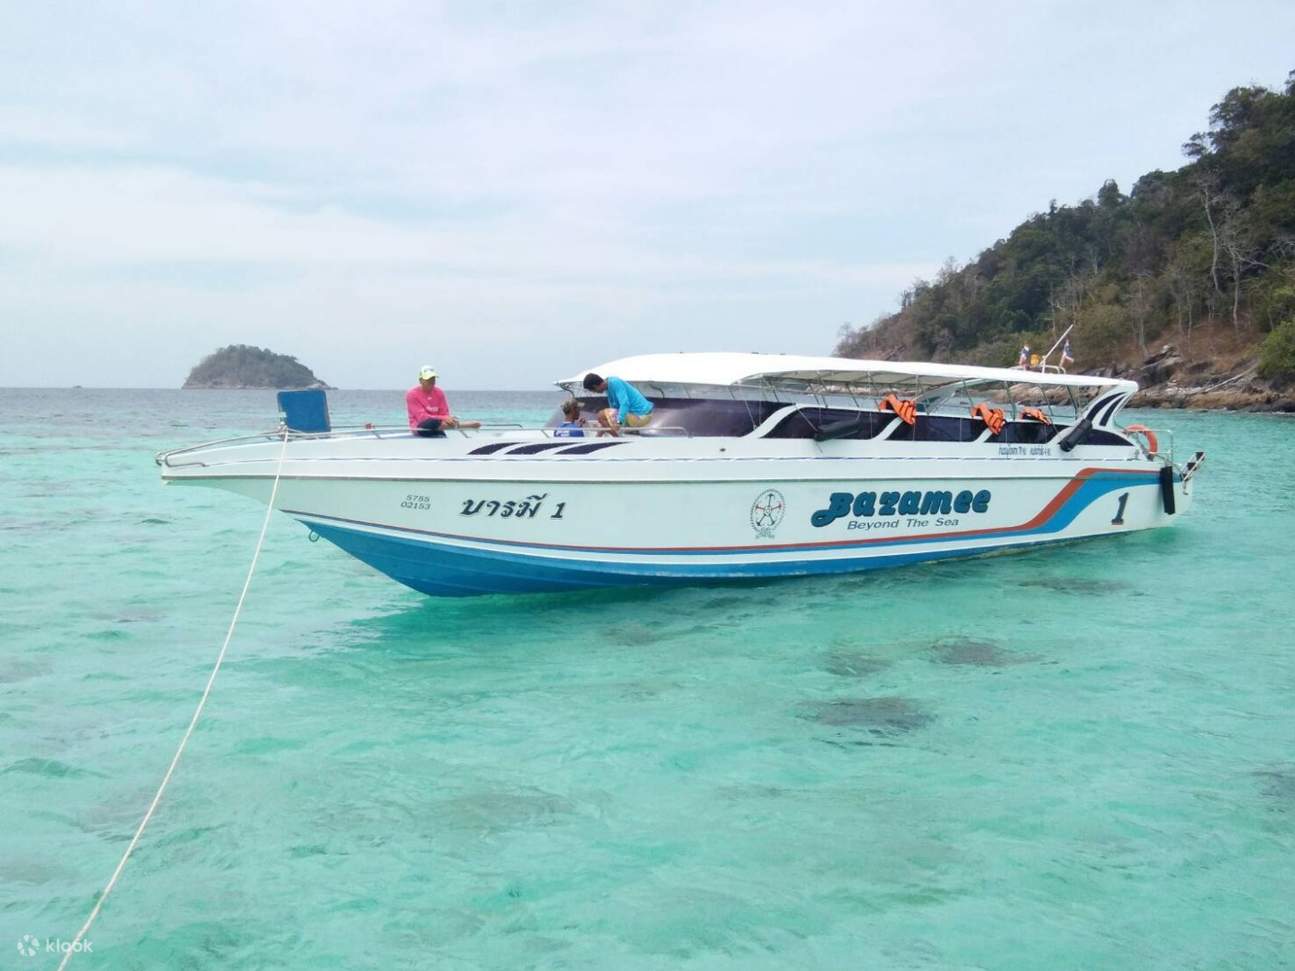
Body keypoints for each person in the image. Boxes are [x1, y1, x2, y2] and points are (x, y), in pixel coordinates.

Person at [405, 365, 481, 437]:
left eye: (433, 379)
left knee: (442, 421)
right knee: (432, 422)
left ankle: (456, 425)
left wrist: (448, 419)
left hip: (439, 426)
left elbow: (445, 413)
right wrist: (444, 418)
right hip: (420, 428)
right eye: (428, 379)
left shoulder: (439, 392)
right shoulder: (412, 394)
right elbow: (422, 418)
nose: (431, 381)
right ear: (420, 380)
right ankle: (464, 425)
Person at [582, 372, 653, 435]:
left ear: (595, 386)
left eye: (593, 391)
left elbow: (625, 404)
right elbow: (613, 409)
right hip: (633, 416)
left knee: (601, 415)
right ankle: (607, 437)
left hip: (642, 415)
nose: (595, 393)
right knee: (604, 419)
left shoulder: (615, 382)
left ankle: (616, 438)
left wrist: (619, 422)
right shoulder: (608, 387)